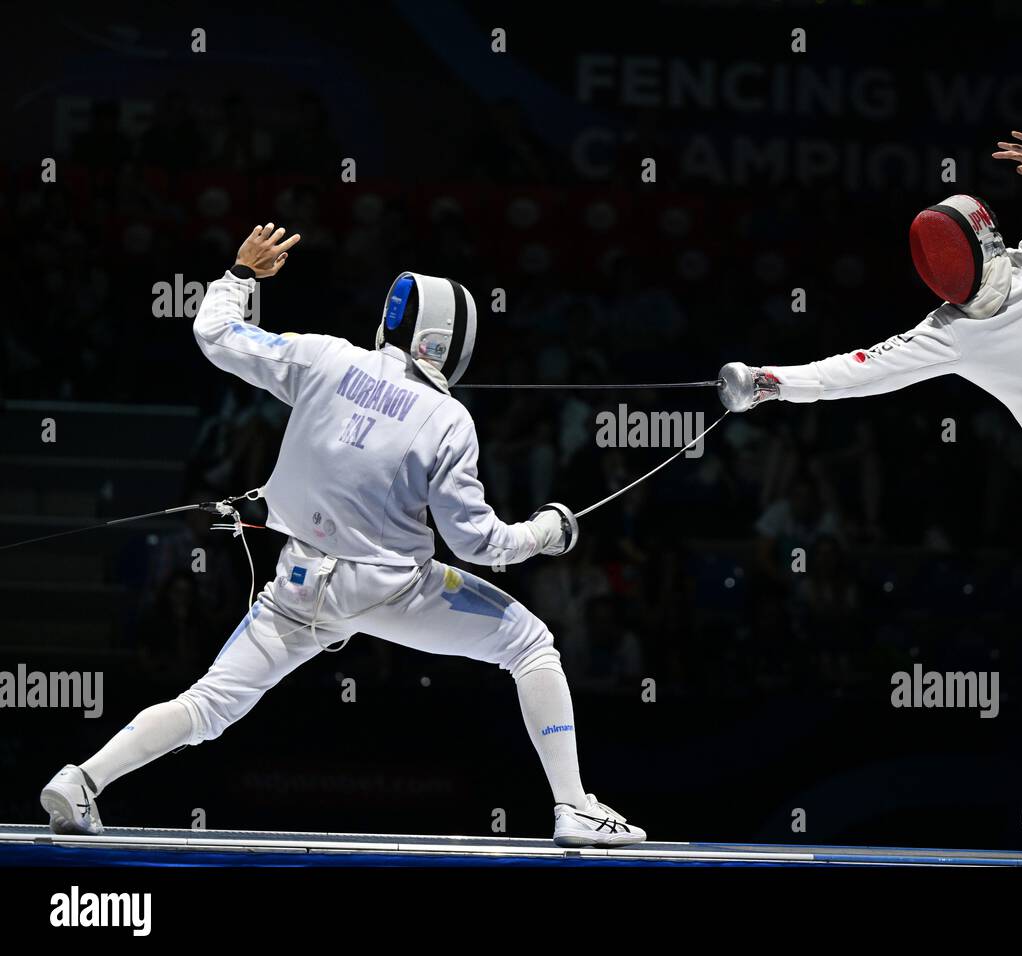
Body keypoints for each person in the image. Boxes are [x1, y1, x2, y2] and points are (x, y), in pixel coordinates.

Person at [41, 223, 645, 848]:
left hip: (299, 584)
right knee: (530, 645)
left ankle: (82, 778)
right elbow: (478, 546)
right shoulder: (448, 419)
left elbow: (214, 333)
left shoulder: (324, 358)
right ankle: (574, 807)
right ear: (445, 344)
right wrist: (546, 531)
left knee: (210, 703)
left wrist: (241, 276)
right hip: (393, 590)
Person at [718, 131, 1022, 833]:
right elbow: (852, 371)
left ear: (987, 245)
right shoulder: (951, 330)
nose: (960, 288)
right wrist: (768, 384)